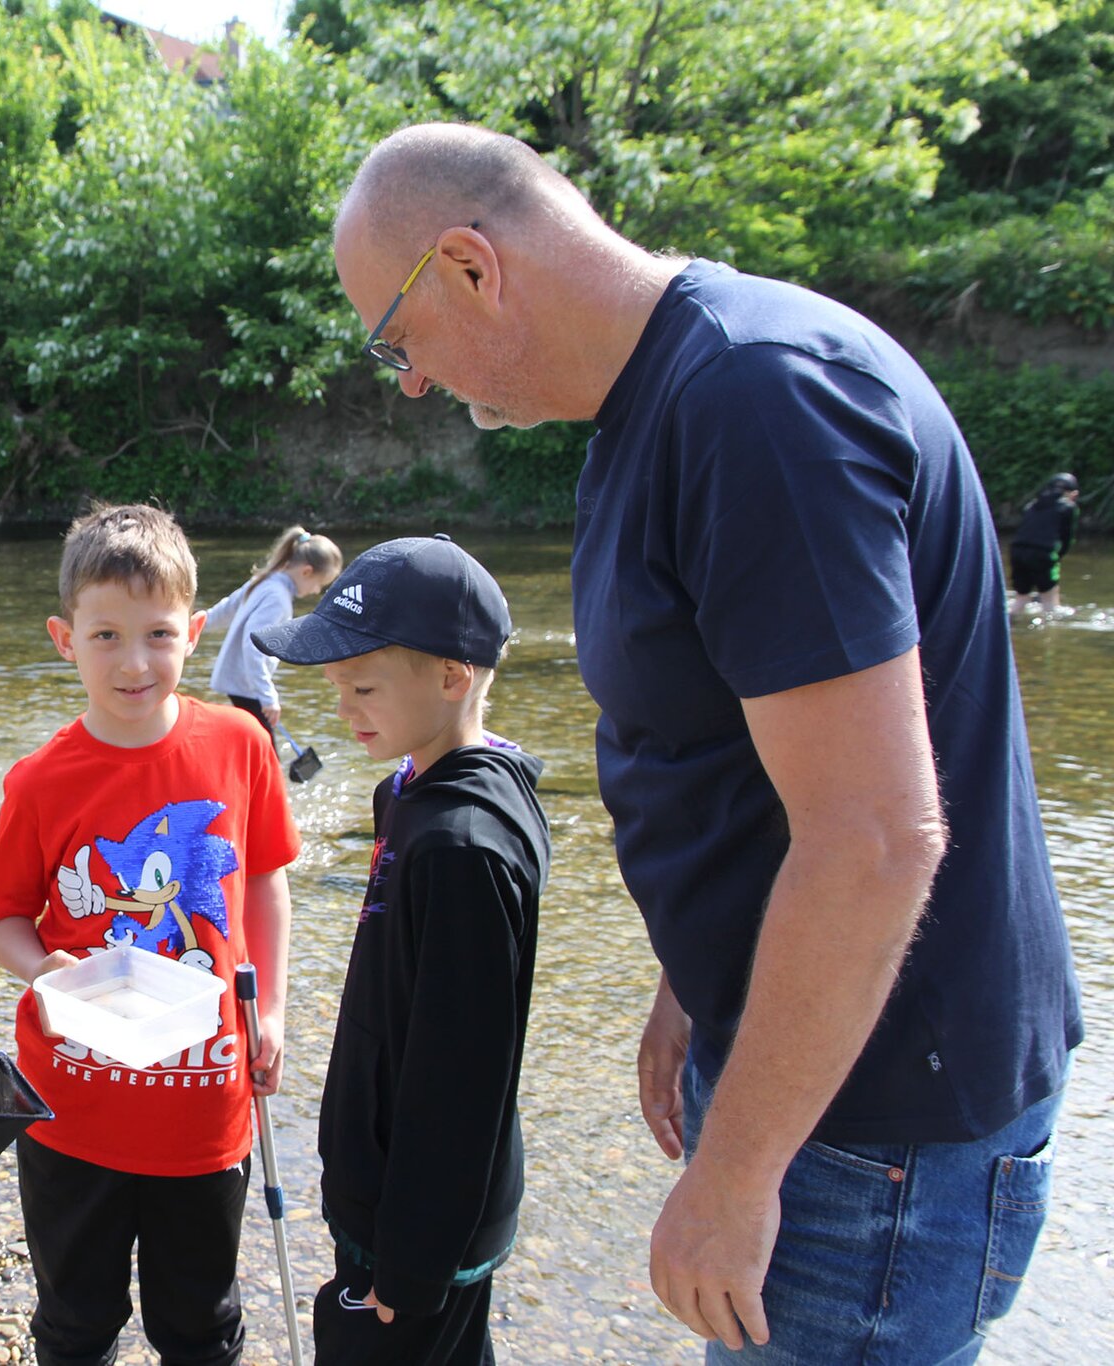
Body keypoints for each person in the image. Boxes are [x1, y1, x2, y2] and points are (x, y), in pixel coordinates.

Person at [331, 123, 1081, 1363]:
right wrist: (693, 979)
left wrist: (734, 1175)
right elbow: (744, 758)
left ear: (470, 265)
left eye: (394, 338)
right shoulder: (657, 407)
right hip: (816, 1095)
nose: (407, 381)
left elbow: (876, 837)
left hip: (875, 1133)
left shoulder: (757, 404)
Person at [0, 503, 300, 1366]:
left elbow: (264, 879)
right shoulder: (41, 780)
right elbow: (1, 915)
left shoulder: (239, 745)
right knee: (76, 1324)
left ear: (194, 632)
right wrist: (46, 971)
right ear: (63, 638)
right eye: (106, 635)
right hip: (70, 1108)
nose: (134, 661)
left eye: (157, 634)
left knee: (200, 1325)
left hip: (204, 1106)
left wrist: (273, 1012)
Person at [253, 534, 549, 1365]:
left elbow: (463, 1077)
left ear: (453, 677)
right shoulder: (411, 790)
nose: (343, 708)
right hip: (397, 1197)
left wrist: (413, 1263)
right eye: (336, 685)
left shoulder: (464, 847)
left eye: (364, 686)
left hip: (422, 1227)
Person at [199, 525, 343, 733]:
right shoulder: (278, 598)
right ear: (306, 571)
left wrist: (194, 624)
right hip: (248, 686)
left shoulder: (265, 579)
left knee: (255, 745)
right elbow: (253, 646)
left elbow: (224, 610)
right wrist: (268, 696)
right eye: (319, 584)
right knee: (266, 752)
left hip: (242, 683)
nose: (316, 591)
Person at [1009, 471, 1081, 613]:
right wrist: (1058, 557)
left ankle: (1008, 626)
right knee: (1050, 600)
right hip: (1043, 553)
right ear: (1073, 493)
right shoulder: (1069, 507)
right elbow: (1067, 538)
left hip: (1017, 551)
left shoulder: (1032, 504)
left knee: (1021, 598)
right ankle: (1051, 632)